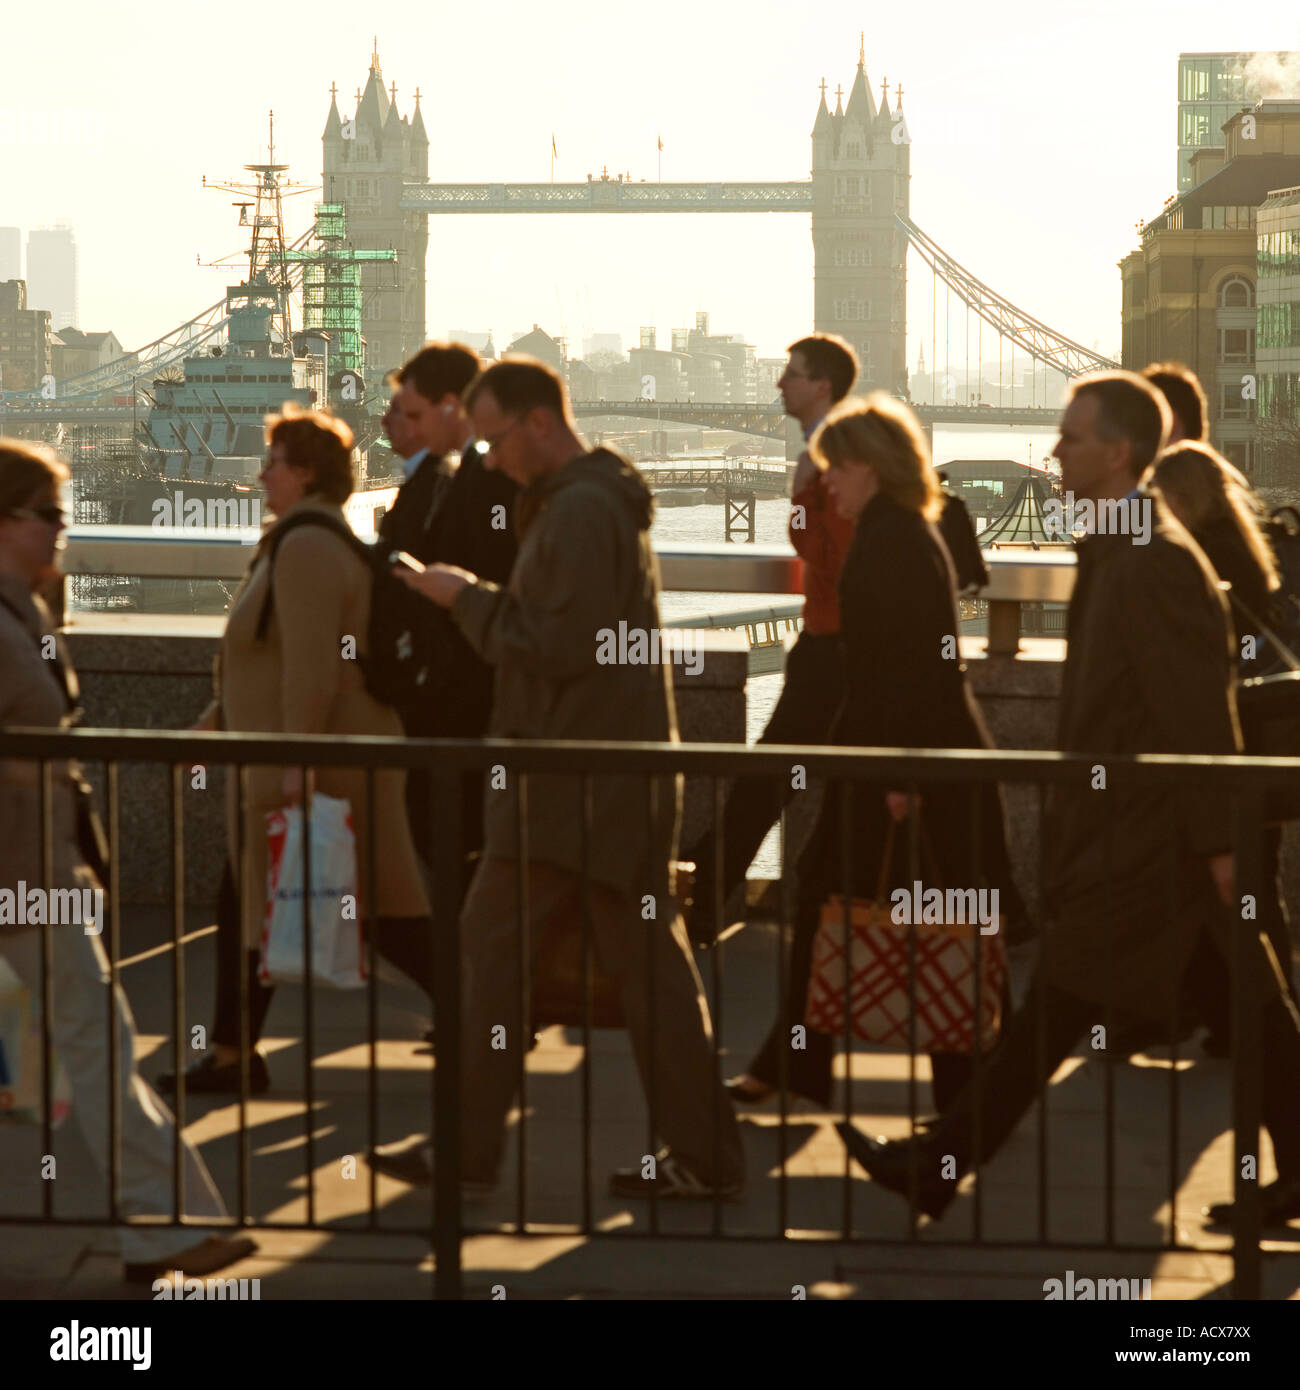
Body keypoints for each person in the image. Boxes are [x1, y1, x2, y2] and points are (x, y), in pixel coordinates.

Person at [845, 372, 1300, 1227]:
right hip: (1147, 832)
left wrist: (1219, 844)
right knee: (1247, 1008)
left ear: (1119, 452)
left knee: (1063, 1003)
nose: (1054, 449)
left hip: (1154, 838)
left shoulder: (1153, 561)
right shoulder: (1121, 548)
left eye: (1072, 436)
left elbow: (1197, 716)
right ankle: (941, 1162)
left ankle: (941, 1162)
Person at [372, 356, 744, 1201]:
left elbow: (553, 644)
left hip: (572, 780)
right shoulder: (591, 500)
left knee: (514, 959)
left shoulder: (578, 511)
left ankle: (471, 1156)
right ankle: (482, 1153)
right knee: (605, 972)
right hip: (595, 775)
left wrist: (460, 597)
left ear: (539, 422)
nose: (491, 460)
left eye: (496, 440)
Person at [0, 438, 254, 1282]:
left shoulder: (23, 609)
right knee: (97, 1046)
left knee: (95, 1043)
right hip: (21, 875)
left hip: (37, 870)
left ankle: (163, 1228)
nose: (61, 530)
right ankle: (164, 1227)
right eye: (47, 516)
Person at [728, 395, 1017, 1115]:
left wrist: (899, 777)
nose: (827, 482)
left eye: (836, 468)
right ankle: (958, 1091)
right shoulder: (902, 530)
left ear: (871, 467)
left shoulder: (889, 543)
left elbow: (909, 671)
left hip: (904, 762)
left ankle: (971, 1097)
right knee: (933, 911)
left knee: (891, 907)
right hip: (911, 757)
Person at [160, 406, 433, 1094]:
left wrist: (295, 765)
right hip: (303, 758)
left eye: (272, 464)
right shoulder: (299, 539)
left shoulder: (308, 546)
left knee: (387, 920)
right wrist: (216, 723)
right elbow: (269, 658)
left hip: (328, 767)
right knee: (248, 906)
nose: (260, 476)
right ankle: (232, 1054)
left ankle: (490, 1021)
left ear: (307, 473)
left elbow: (312, 669)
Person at [684, 334, 857, 959]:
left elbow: (832, 555)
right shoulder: (827, 447)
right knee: (807, 787)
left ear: (822, 386)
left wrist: (803, 496)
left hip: (836, 650)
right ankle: (718, 895)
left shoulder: (836, 454)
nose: (780, 383)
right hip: (832, 645)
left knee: (772, 781)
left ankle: (703, 896)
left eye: (793, 373)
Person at [1152, 441, 1296, 1015]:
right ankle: (1244, 1011)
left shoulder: (1205, 555)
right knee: (1251, 878)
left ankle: (1261, 1016)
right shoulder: (1245, 543)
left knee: (1238, 881)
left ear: (1181, 498)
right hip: (1257, 737)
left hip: (1233, 738)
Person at [379, 342, 518, 879]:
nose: (407, 428)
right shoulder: (458, 474)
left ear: (453, 406)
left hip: (468, 708)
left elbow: (497, 585)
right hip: (449, 700)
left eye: (415, 415)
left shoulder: (488, 481)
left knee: (453, 855)